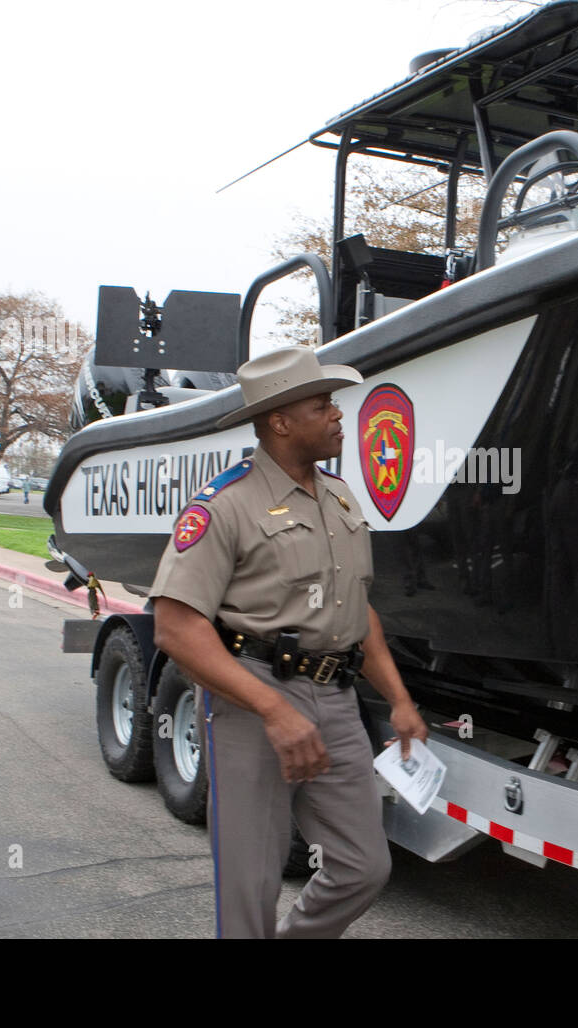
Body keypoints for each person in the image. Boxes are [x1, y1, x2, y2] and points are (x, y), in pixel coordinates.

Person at [150, 345, 428, 939]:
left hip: (336, 698)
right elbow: (175, 628)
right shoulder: (226, 505)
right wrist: (274, 708)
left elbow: (357, 608)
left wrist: (400, 700)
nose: (337, 415)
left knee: (364, 866)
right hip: (254, 699)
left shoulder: (342, 497)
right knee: (250, 883)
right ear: (279, 422)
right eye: (322, 404)